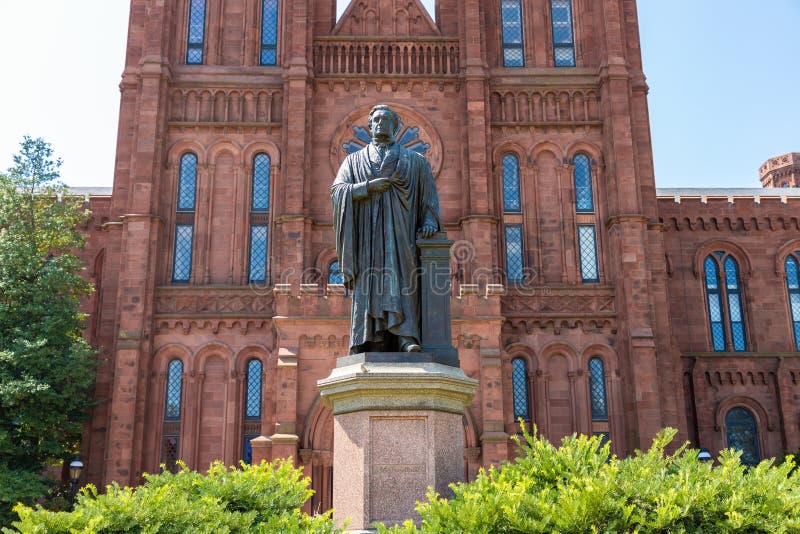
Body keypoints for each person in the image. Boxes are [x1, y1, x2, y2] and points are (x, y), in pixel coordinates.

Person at [331, 104, 442, 354]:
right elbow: (337, 191)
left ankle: (406, 336)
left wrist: (429, 222)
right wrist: (366, 188)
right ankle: (371, 337)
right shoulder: (353, 161)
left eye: (386, 120)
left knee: (402, 279)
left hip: (401, 234)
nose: (381, 124)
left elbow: (429, 198)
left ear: (396, 125)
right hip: (367, 236)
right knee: (369, 281)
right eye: (377, 120)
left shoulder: (416, 161)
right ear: (370, 126)